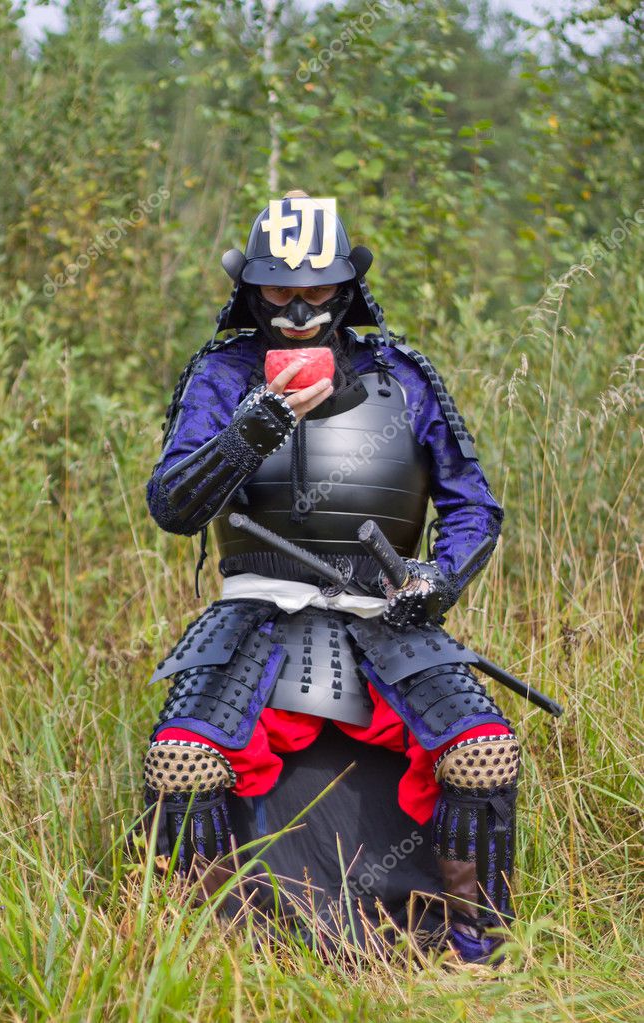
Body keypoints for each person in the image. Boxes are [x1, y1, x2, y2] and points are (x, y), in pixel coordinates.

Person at [143, 191, 518, 963]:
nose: (298, 307)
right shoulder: (220, 375)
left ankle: (471, 949)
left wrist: (438, 582)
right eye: (278, 290)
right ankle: (204, 955)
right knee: (181, 761)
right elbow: (173, 506)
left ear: (347, 286)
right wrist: (249, 430)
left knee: (482, 750)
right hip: (255, 614)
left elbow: (473, 506)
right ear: (249, 289)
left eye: (315, 290)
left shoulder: (404, 375)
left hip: (386, 617)